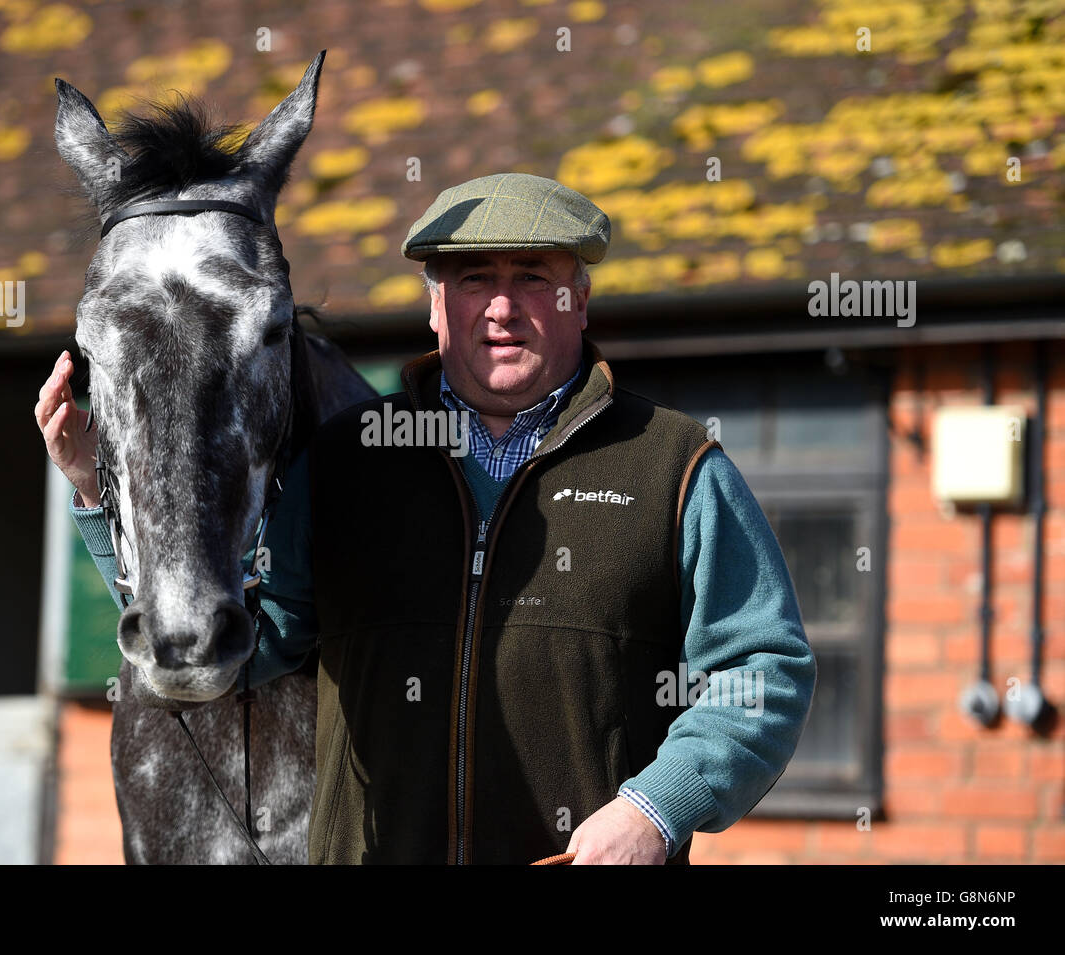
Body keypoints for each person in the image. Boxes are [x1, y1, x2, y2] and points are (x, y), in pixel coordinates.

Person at [41, 172, 816, 865]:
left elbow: (763, 673)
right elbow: (239, 650)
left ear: (580, 299)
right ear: (437, 307)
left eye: (534, 277)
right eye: (476, 278)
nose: (504, 307)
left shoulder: (673, 463)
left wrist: (656, 809)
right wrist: (94, 489)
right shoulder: (350, 459)